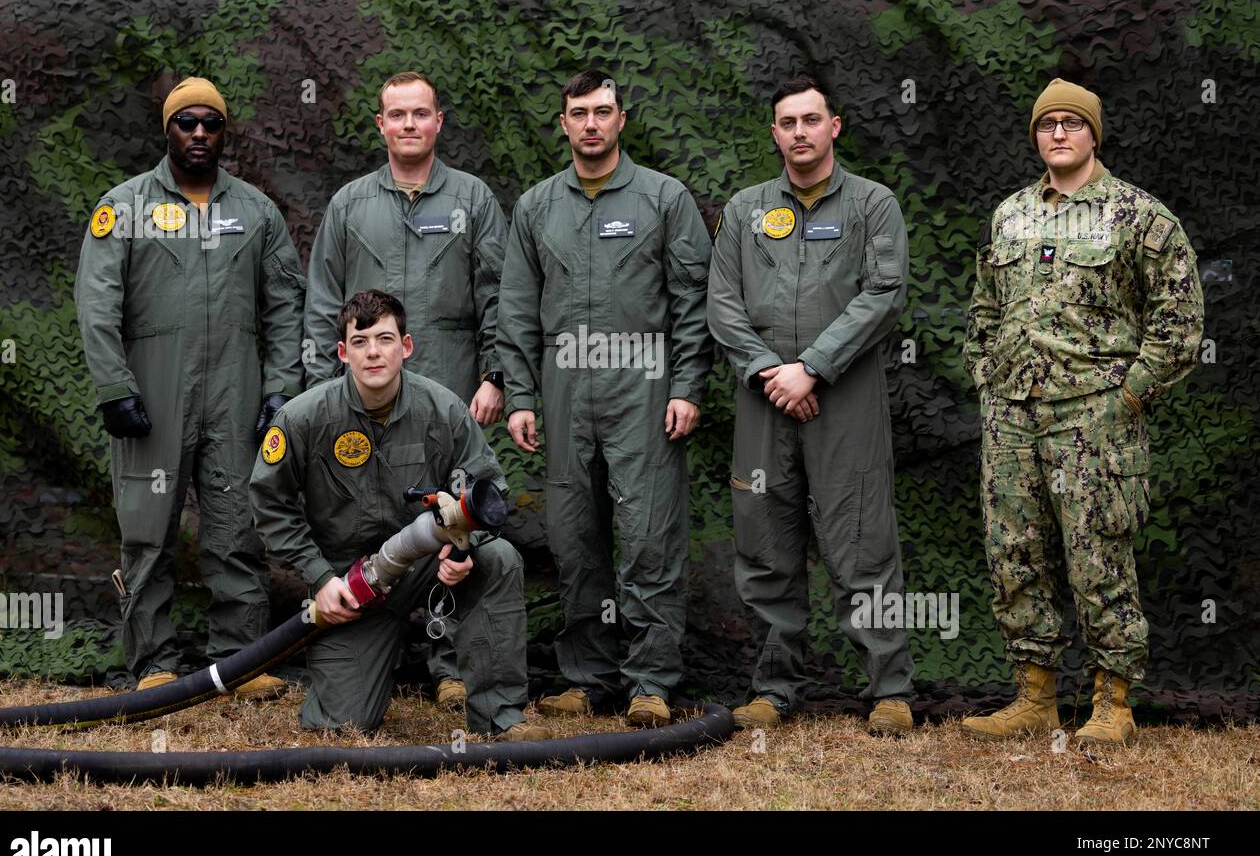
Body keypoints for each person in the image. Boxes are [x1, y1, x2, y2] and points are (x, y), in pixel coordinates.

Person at [962, 78, 1204, 746]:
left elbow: (1180, 318)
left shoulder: (1139, 217)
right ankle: (1035, 694)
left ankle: (1112, 699)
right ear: (1036, 135)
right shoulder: (1011, 214)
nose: (1059, 134)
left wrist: (1130, 392)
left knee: (1097, 553)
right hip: (1012, 413)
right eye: (1048, 124)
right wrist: (985, 370)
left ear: (1094, 134)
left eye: (1073, 123)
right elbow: (985, 302)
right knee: (1013, 549)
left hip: (1093, 417)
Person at [75, 77, 305, 697]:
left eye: (211, 123)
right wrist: (114, 387)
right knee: (148, 530)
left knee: (236, 527)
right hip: (153, 392)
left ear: (224, 131)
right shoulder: (123, 207)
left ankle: (240, 661)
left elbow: (286, 306)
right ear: (168, 129)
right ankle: (153, 661)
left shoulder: (256, 212)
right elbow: (97, 303)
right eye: (186, 123)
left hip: (236, 390)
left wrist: (280, 388)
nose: (199, 133)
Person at [497, 69, 712, 728]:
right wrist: (521, 395)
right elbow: (517, 309)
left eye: (603, 111)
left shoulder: (663, 199)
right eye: (578, 113)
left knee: (649, 537)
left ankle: (650, 679)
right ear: (562, 123)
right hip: (563, 392)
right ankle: (586, 674)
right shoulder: (536, 207)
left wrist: (686, 386)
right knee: (573, 539)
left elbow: (694, 302)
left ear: (622, 119)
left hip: (642, 390)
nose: (591, 123)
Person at [706, 76, 917, 736]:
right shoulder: (744, 210)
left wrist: (814, 369)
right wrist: (773, 373)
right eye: (786, 122)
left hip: (846, 396)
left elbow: (884, 294)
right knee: (765, 544)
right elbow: (722, 303)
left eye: (810, 119)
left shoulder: (872, 205)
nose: (799, 131)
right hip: (763, 400)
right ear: (774, 134)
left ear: (835, 126)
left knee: (863, 544)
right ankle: (773, 687)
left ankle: (889, 688)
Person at [248, 289, 547, 741]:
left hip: (426, 566)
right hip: (353, 586)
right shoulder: (304, 418)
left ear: (405, 347)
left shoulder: (441, 408)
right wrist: (321, 580)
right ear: (343, 352)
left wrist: (460, 548)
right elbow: (269, 503)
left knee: (499, 557)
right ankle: (362, 676)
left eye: (385, 339)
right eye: (361, 340)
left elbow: (488, 488)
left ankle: (501, 716)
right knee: (340, 728)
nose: (374, 352)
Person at [303, 72, 508, 711]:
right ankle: (377, 649)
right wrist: (321, 389)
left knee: (455, 521)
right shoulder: (349, 205)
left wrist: (495, 376)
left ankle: (450, 663)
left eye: (421, 113)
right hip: (364, 396)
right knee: (375, 516)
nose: (410, 125)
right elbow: (322, 303)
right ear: (381, 125)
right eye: (398, 115)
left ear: (439, 122)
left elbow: (499, 296)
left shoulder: (473, 199)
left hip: (451, 385)